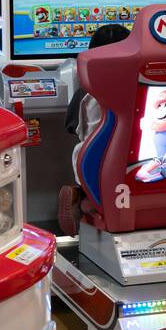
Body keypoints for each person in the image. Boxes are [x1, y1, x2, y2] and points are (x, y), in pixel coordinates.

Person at [58, 22, 131, 236]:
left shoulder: (87, 94)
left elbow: (72, 127)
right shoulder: (147, 88)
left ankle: (84, 200)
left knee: (86, 149)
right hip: (142, 166)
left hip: (99, 171)